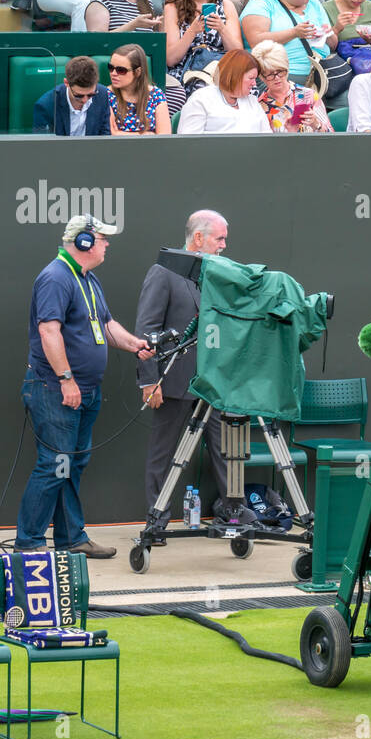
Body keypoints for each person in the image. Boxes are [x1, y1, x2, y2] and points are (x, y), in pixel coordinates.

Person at [15, 214, 155, 558]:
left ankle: (71, 538)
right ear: (83, 242)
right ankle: (28, 545)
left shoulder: (87, 279)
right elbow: (49, 332)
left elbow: (106, 325)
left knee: (71, 465)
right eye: (102, 238)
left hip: (84, 390)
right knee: (54, 464)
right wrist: (66, 380)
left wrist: (135, 344)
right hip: (56, 389)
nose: (107, 244)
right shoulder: (55, 278)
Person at [136, 210, 231, 524]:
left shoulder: (218, 275)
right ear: (199, 238)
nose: (223, 246)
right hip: (173, 382)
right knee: (163, 455)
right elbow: (146, 329)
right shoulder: (163, 273)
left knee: (227, 450)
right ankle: (157, 519)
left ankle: (233, 515)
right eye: (219, 238)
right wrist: (150, 381)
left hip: (212, 385)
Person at [163, 0, 245, 111]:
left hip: (219, 67)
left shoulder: (226, 5)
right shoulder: (173, 8)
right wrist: (191, 31)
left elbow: (237, 53)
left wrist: (222, 28)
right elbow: (171, 59)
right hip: (188, 69)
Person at [240, 0, 335, 82]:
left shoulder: (314, 2)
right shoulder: (261, 3)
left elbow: (333, 45)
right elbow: (256, 42)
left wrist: (329, 34)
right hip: (281, 77)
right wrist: (294, 33)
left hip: (325, 73)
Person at [177, 47, 272, 133]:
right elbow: (188, 142)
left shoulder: (252, 101)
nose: (254, 83)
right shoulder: (201, 99)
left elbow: (266, 138)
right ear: (234, 76)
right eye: (251, 78)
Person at [254, 38, 332, 131]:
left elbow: (330, 136)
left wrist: (316, 124)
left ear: (287, 67)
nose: (277, 78)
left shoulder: (309, 95)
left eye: (280, 71)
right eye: (270, 74)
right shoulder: (259, 106)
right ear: (261, 77)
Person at [33, 54, 112, 135]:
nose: (85, 100)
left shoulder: (102, 94)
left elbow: (105, 135)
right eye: (79, 95)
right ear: (66, 83)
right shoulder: (46, 105)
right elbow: (42, 144)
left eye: (90, 95)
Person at [107, 42, 172, 133]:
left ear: (138, 72)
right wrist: (150, 135)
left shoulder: (156, 95)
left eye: (121, 70)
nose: (113, 73)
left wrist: (120, 133)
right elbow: (112, 135)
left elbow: (164, 137)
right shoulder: (105, 95)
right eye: (110, 67)